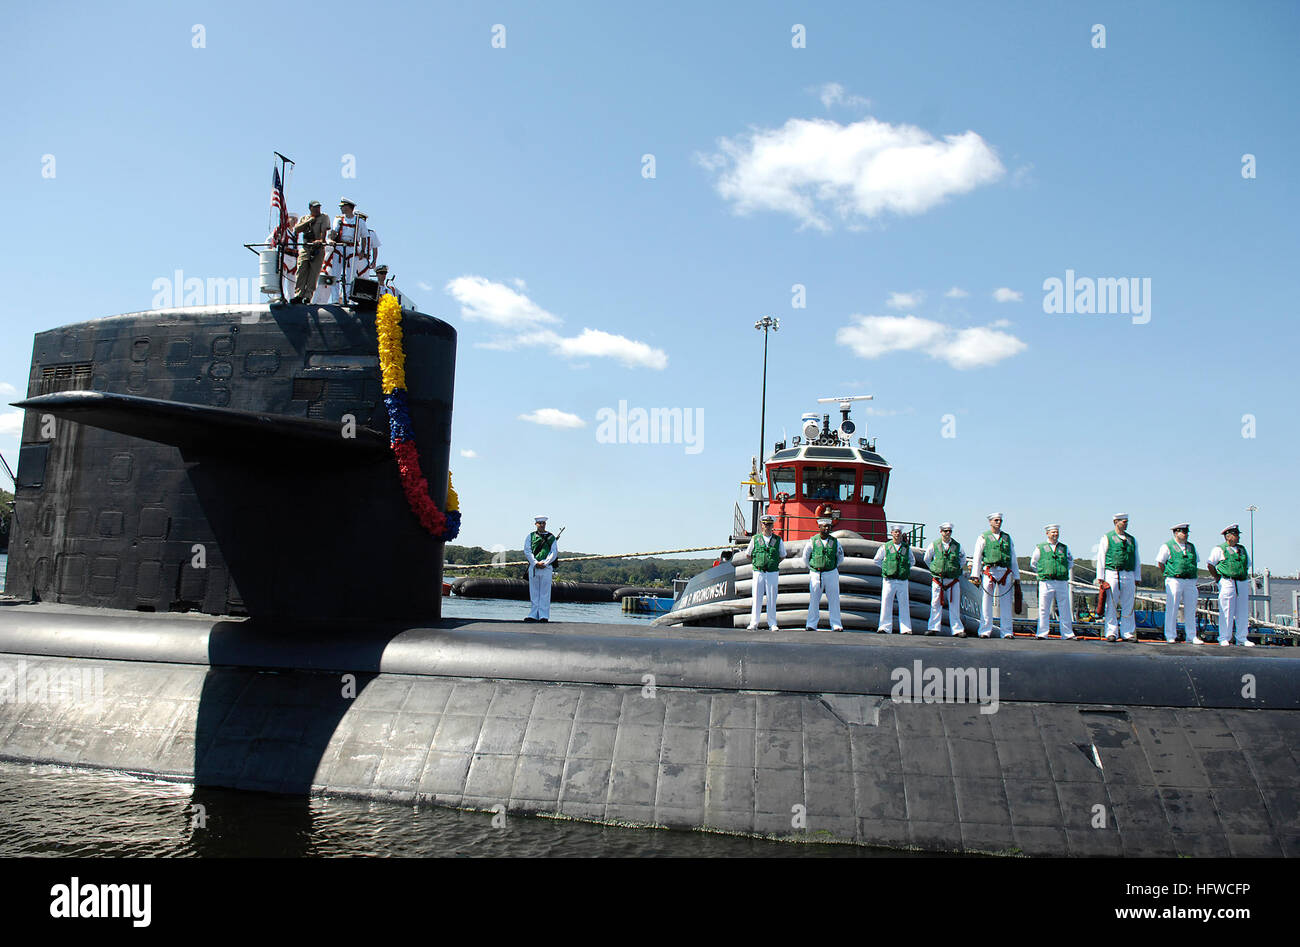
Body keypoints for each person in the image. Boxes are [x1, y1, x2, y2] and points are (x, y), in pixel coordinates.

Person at [971, 513, 1019, 638]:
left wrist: (1017, 577)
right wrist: (975, 575)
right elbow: (977, 556)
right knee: (986, 602)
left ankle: (1007, 631)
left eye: (1000, 520)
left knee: (1006, 603)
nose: (999, 522)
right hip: (989, 571)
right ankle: (985, 630)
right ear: (990, 522)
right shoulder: (983, 537)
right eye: (996, 520)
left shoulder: (1007, 538)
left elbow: (1013, 558)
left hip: (1004, 571)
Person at [1156, 523, 1203, 644]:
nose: (1186, 534)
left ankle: (1191, 635)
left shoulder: (1191, 547)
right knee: (1172, 608)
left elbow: (1196, 561)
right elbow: (1161, 563)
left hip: (1190, 580)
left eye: (1187, 532)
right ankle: (1170, 634)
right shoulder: (1167, 546)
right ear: (1176, 533)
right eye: (1183, 532)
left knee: (1191, 608)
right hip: (1174, 579)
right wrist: (1168, 573)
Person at [1208, 524, 1253, 647]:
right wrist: (1217, 578)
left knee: (1242, 611)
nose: (1238, 537)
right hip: (1228, 581)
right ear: (1228, 536)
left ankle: (1242, 637)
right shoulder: (1219, 549)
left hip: (1241, 581)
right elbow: (1210, 564)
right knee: (1226, 610)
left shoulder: (1242, 549)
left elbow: (1248, 564)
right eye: (1236, 535)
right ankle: (1224, 637)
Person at [1031, 525, 1075, 639]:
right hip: (1046, 581)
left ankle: (1067, 633)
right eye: (1053, 532)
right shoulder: (1040, 547)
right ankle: (1042, 633)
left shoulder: (1064, 548)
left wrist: (1062, 571)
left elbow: (1070, 562)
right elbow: (1034, 563)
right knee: (1043, 608)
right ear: (1047, 534)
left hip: (1061, 581)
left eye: (1056, 532)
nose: (1055, 534)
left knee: (1064, 608)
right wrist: (1043, 571)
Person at [801, 515, 844, 631]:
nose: (826, 529)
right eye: (824, 526)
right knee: (814, 599)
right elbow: (805, 557)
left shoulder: (835, 542)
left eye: (828, 526)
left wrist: (832, 567)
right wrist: (813, 568)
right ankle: (811, 624)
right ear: (819, 527)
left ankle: (836, 624)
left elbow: (840, 557)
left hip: (831, 573)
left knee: (834, 599)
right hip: (816, 574)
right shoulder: (812, 541)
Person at [924, 522, 966, 637]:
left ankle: (957, 629)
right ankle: (933, 628)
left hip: (952, 580)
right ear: (941, 532)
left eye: (949, 531)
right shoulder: (934, 545)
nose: (947, 533)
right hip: (938, 580)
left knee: (955, 605)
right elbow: (927, 558)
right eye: (945, 531)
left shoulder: (957, 546)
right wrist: (935, 569)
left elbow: (963, 560)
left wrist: (955, 570)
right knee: (935, 604)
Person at [746, 514, 785, 631]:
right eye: (765, 524)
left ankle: (772, 623)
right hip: (759, 571)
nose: (767, 526)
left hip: (772, 572)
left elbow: (782, 555)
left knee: (772, 598)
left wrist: (772, 563)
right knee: (756, 597)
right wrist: (758, 562)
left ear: (772, 525)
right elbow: (748, 554)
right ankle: (754, 623)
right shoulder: (755, 539)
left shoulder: (777, 540)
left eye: (769, 524)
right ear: (761, 525)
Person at [874, 525, 914, 634]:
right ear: (892, 533)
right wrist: (887, 569)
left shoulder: (906, 548)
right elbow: (877, 560)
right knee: (886, 602)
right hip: (889, 580)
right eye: (895, 532)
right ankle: (884, 627)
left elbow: (912, 561)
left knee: (904, 604)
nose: (897, 534)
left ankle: (906, 629)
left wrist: (903, 570)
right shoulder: (885, 547)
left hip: (902, 580)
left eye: (899, 532)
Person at [327, 198, 369, 303]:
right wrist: (331, 239)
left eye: (343, 206)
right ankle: (335, 299)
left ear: (349, 207)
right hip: (340, 247)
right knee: (335, 274)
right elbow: (334, 232)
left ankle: (349, 298)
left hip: (352, 249)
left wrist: (363, 251)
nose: (341, 208)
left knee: (351, 275)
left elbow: (364, 237)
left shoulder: (360, 221)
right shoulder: (338, 219)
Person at [291, 201, 329, 303]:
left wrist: (321, 240)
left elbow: (324, 230)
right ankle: (299, 295)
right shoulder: (305, 218)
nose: (317, 210)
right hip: (306, 247)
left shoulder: (324, 217)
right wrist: (308, 221)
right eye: (315, 207)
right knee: (301, 271)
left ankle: (308, 296)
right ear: (310, 208)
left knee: (313, 273)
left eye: (318, 207)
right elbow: (297, 229)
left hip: (317, 248)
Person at [524, 515, 558, 622]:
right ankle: (533, 614)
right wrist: (535, 562)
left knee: (545, 592)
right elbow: (527, 551)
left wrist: (545, 562)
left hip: (546, 567)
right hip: (534, 567)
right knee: (534, 592)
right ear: (536, 524)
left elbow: (554, 552)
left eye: (543, 523)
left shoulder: (551, 537)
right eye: (540, 523)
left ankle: (544, 615)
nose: (542, 525)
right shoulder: (530, 536)